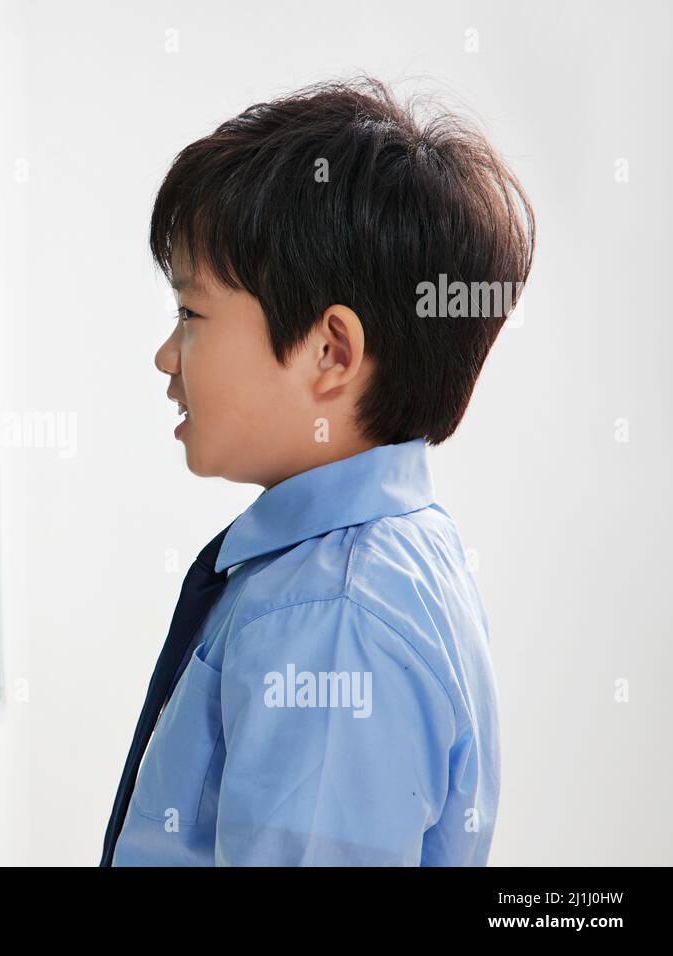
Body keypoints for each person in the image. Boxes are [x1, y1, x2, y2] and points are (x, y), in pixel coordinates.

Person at [102, 76, 534, 866]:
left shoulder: (330, 620)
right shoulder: (384, 555)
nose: (167, 357)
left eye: (191, 314)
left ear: (330, 354)